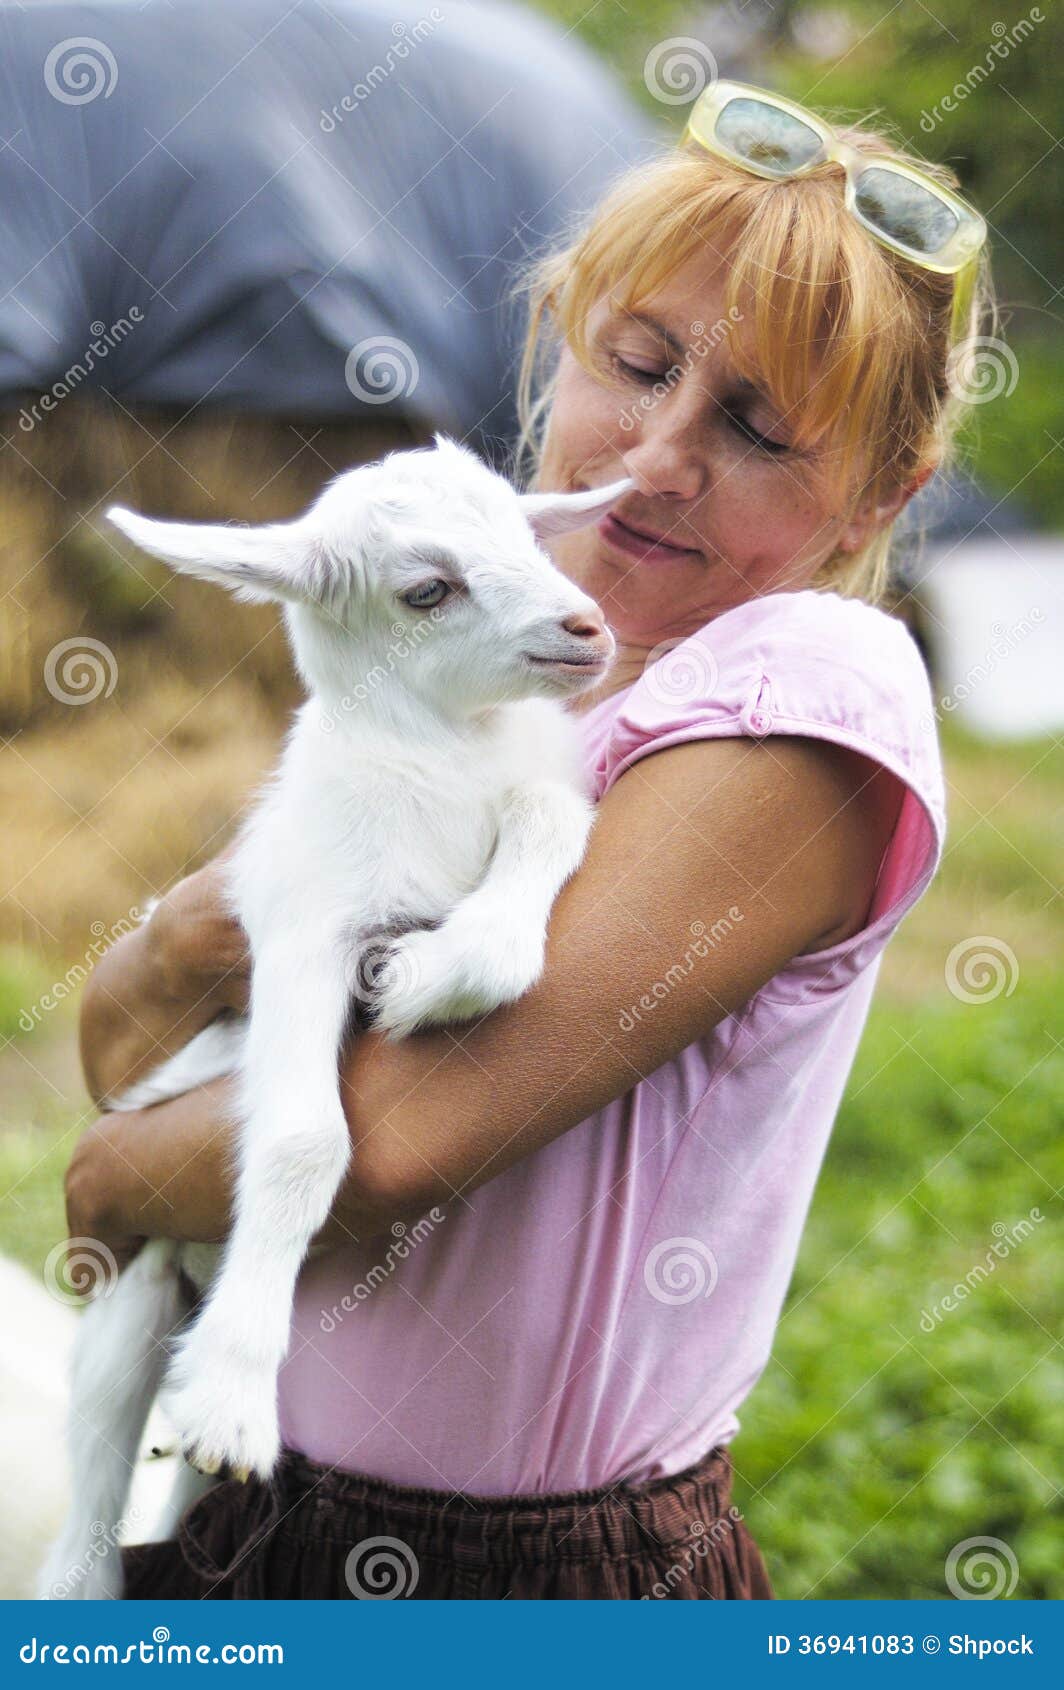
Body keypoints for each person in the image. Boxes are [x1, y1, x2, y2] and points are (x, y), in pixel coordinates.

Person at [63, 81, 991, 1600]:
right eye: (635, 364)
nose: (666, 450)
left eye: (757, 427)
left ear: (883, 492)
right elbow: (122, 1032)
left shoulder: (811, 689)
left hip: (528, 1579)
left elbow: (401, 1140)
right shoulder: (479, 670)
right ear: (563, 339)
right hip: (259, 1510)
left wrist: (111, 1179)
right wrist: (211, 925)